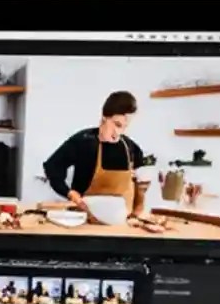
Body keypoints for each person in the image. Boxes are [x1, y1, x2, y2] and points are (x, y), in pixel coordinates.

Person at [42, 90, 147, 222]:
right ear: (104, 118)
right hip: (85, 222)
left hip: (121, 227)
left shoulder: (131, 148)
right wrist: (69, 193)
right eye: (117, 124)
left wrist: (138, 210)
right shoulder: (83, 141)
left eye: (124, 127)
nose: (118, 133)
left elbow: (141, 186)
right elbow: (52, 166)